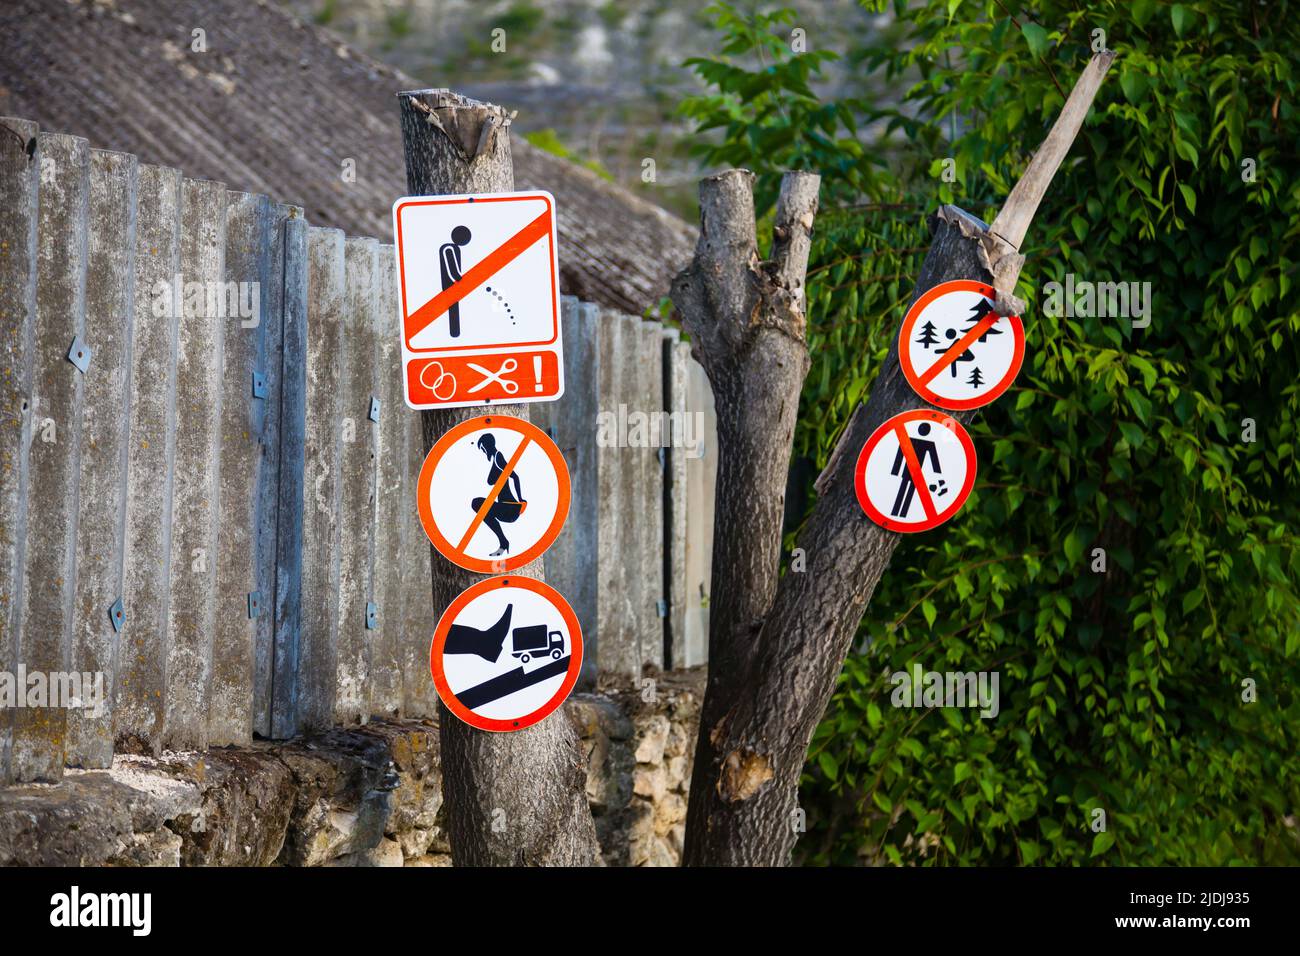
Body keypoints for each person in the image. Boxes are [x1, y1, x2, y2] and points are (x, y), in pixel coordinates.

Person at [472, 433, 525, 557]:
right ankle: (504, 542)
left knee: (477, 503)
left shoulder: (498, 457)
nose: (484, 452)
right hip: (503, 507)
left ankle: (503, 541)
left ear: (488, 445)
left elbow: (515, 476)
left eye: (483, 448)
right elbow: (491, 480)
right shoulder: (494, 460)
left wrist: (521, 499)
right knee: (478, 505)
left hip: (510, 508)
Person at [439, 225, 472, 337]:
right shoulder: (448, 248)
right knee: (453, 309)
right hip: (450, 286)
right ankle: (454, 333)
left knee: (455, 310)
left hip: (454, 287)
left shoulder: (454, 248)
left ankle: (455, 333)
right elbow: (454, 273)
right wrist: (466, 282)